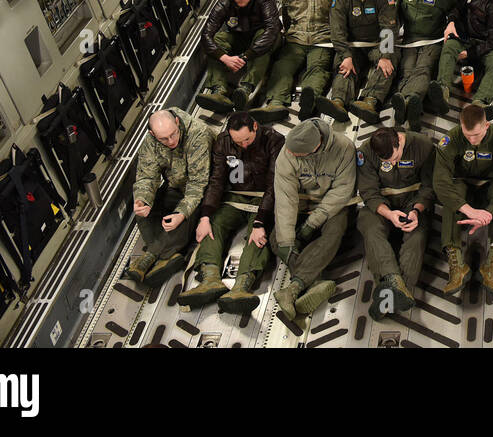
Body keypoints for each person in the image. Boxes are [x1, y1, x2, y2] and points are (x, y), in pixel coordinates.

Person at [179, 113, 285, 312]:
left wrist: (260, 222)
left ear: (255, 126)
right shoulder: (224, 142)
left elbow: (274, 185)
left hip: (264, 198)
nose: (243, 145)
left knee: (258, 236)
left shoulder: (274, 141)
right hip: (235, 195)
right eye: (238, 141)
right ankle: (210, 279)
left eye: (247, 139)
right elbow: (217, 180)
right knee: (213, 225)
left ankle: (241, 287)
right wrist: (205, 216)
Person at [272, 118, 356, 320]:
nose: (291, 155)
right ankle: (314, 282)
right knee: (277, 238)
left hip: (333, 207)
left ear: (314, 147)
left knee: (333, 234)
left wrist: (312, 223)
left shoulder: (344, 148)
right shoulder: (287, 154)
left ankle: (294, 288)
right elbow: (285, 199)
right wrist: (286, 241)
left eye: (296, 154)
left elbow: (342, 191)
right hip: (302, 205)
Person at [434, 102, 493, 296]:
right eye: (467, 134)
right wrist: (468, 210)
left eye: (477, 135)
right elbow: (440, 182)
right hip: (463, 186)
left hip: (489, 185)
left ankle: (492, 264)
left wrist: (490, 213)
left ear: (487, 125)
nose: (472, 140)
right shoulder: (451, 140)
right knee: (450, 194)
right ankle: (457, 265)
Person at [126, 108, 212, 287]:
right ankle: (169, 254)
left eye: (173, 134)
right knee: (142, 213)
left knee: (186, 216)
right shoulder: (150, 141)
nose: (171, 141)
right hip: (174, 186)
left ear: (178, 123)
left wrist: (181, 213)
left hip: (203, 189)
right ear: (152, 134)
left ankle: (151, 255)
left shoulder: (198, 134)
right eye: (164, 139)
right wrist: (143, 200)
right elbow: (147, 177)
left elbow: (197, 184)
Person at [357, 126, 436, 318]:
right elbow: (368, 192)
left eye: (395, 157)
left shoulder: (423, 146)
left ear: (399, 141)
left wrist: (417, 210)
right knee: (371, 230)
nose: (392, 163)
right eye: (387, 161)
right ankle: (394, 283)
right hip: (382, 206)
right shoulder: (365, 152)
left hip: (413, 202)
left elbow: (430, 185)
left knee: (416, 238)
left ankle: (387, 298)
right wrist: (388, 213)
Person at [260, 0, 346, 121]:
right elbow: (284, 10)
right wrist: (287, 30)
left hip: (322, 38)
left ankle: (309, 101)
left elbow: (342, 10)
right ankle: (276, 102)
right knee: (282, 67)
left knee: (318, 69)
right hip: (295, 38)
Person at [320, 0, 398, 123]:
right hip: (352, 46)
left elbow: (388, 27)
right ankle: (338, 102)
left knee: (389, 63)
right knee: (343, 67)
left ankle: (370, 101)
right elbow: (337, 31)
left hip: (377, 44)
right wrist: (346, 56)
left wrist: (384, 56)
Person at [196, 0, 282, 113]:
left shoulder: (264, 0)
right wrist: (224, 57)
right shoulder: (225, 2)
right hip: (239, 38)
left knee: (265, 39)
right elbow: (206, 34)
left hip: (259, 41)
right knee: (217, 38)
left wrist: (245, 57)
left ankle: (246, 88)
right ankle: (219, 90)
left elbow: (272, 30)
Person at [392, 0, 453, 129]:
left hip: (432, 39)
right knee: (407, 69)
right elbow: (396, 14)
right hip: (410, 38)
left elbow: (454, 13)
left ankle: (409, 99)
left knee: (423, 68)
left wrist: (451, 26)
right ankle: (408, 103)